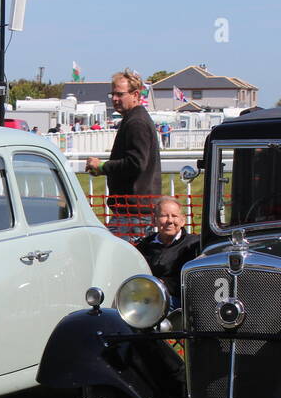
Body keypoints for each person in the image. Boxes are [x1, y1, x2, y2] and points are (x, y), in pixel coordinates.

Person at [86, 70, 162, 242]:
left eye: (120, 94)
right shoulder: (134, 119)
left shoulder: (137, 122)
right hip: (133, 212)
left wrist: (103, 167)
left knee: (115, 260)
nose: (114, 99)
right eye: (112, 94)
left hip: (133, 214)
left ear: (136, 94)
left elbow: (136, 163)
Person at [137, 195, 200, 306]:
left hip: (179, 301)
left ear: (183, 220)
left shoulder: (195, 245)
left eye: (174, 216)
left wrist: (163, 284)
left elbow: (195, 280)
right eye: (164, 216)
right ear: (154, 220)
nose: (170, 221)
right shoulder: (144, 246)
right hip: (145, 297)